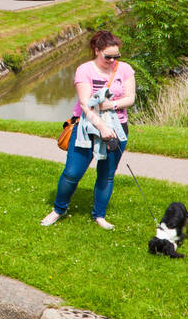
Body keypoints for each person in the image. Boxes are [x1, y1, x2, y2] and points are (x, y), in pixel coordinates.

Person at [41, 30, 136, 230]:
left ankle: (99, 215)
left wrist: (109, 106)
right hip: (87, 127)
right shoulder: (84, 70)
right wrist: (101, 126)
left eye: (115, 56)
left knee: (107, 175)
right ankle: (58, 209)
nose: (112, 60)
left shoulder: (125, 69)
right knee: (72, 173)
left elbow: (130, 98)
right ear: (96, 50)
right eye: (107, 56)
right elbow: (85, 104)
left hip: (118, 128)